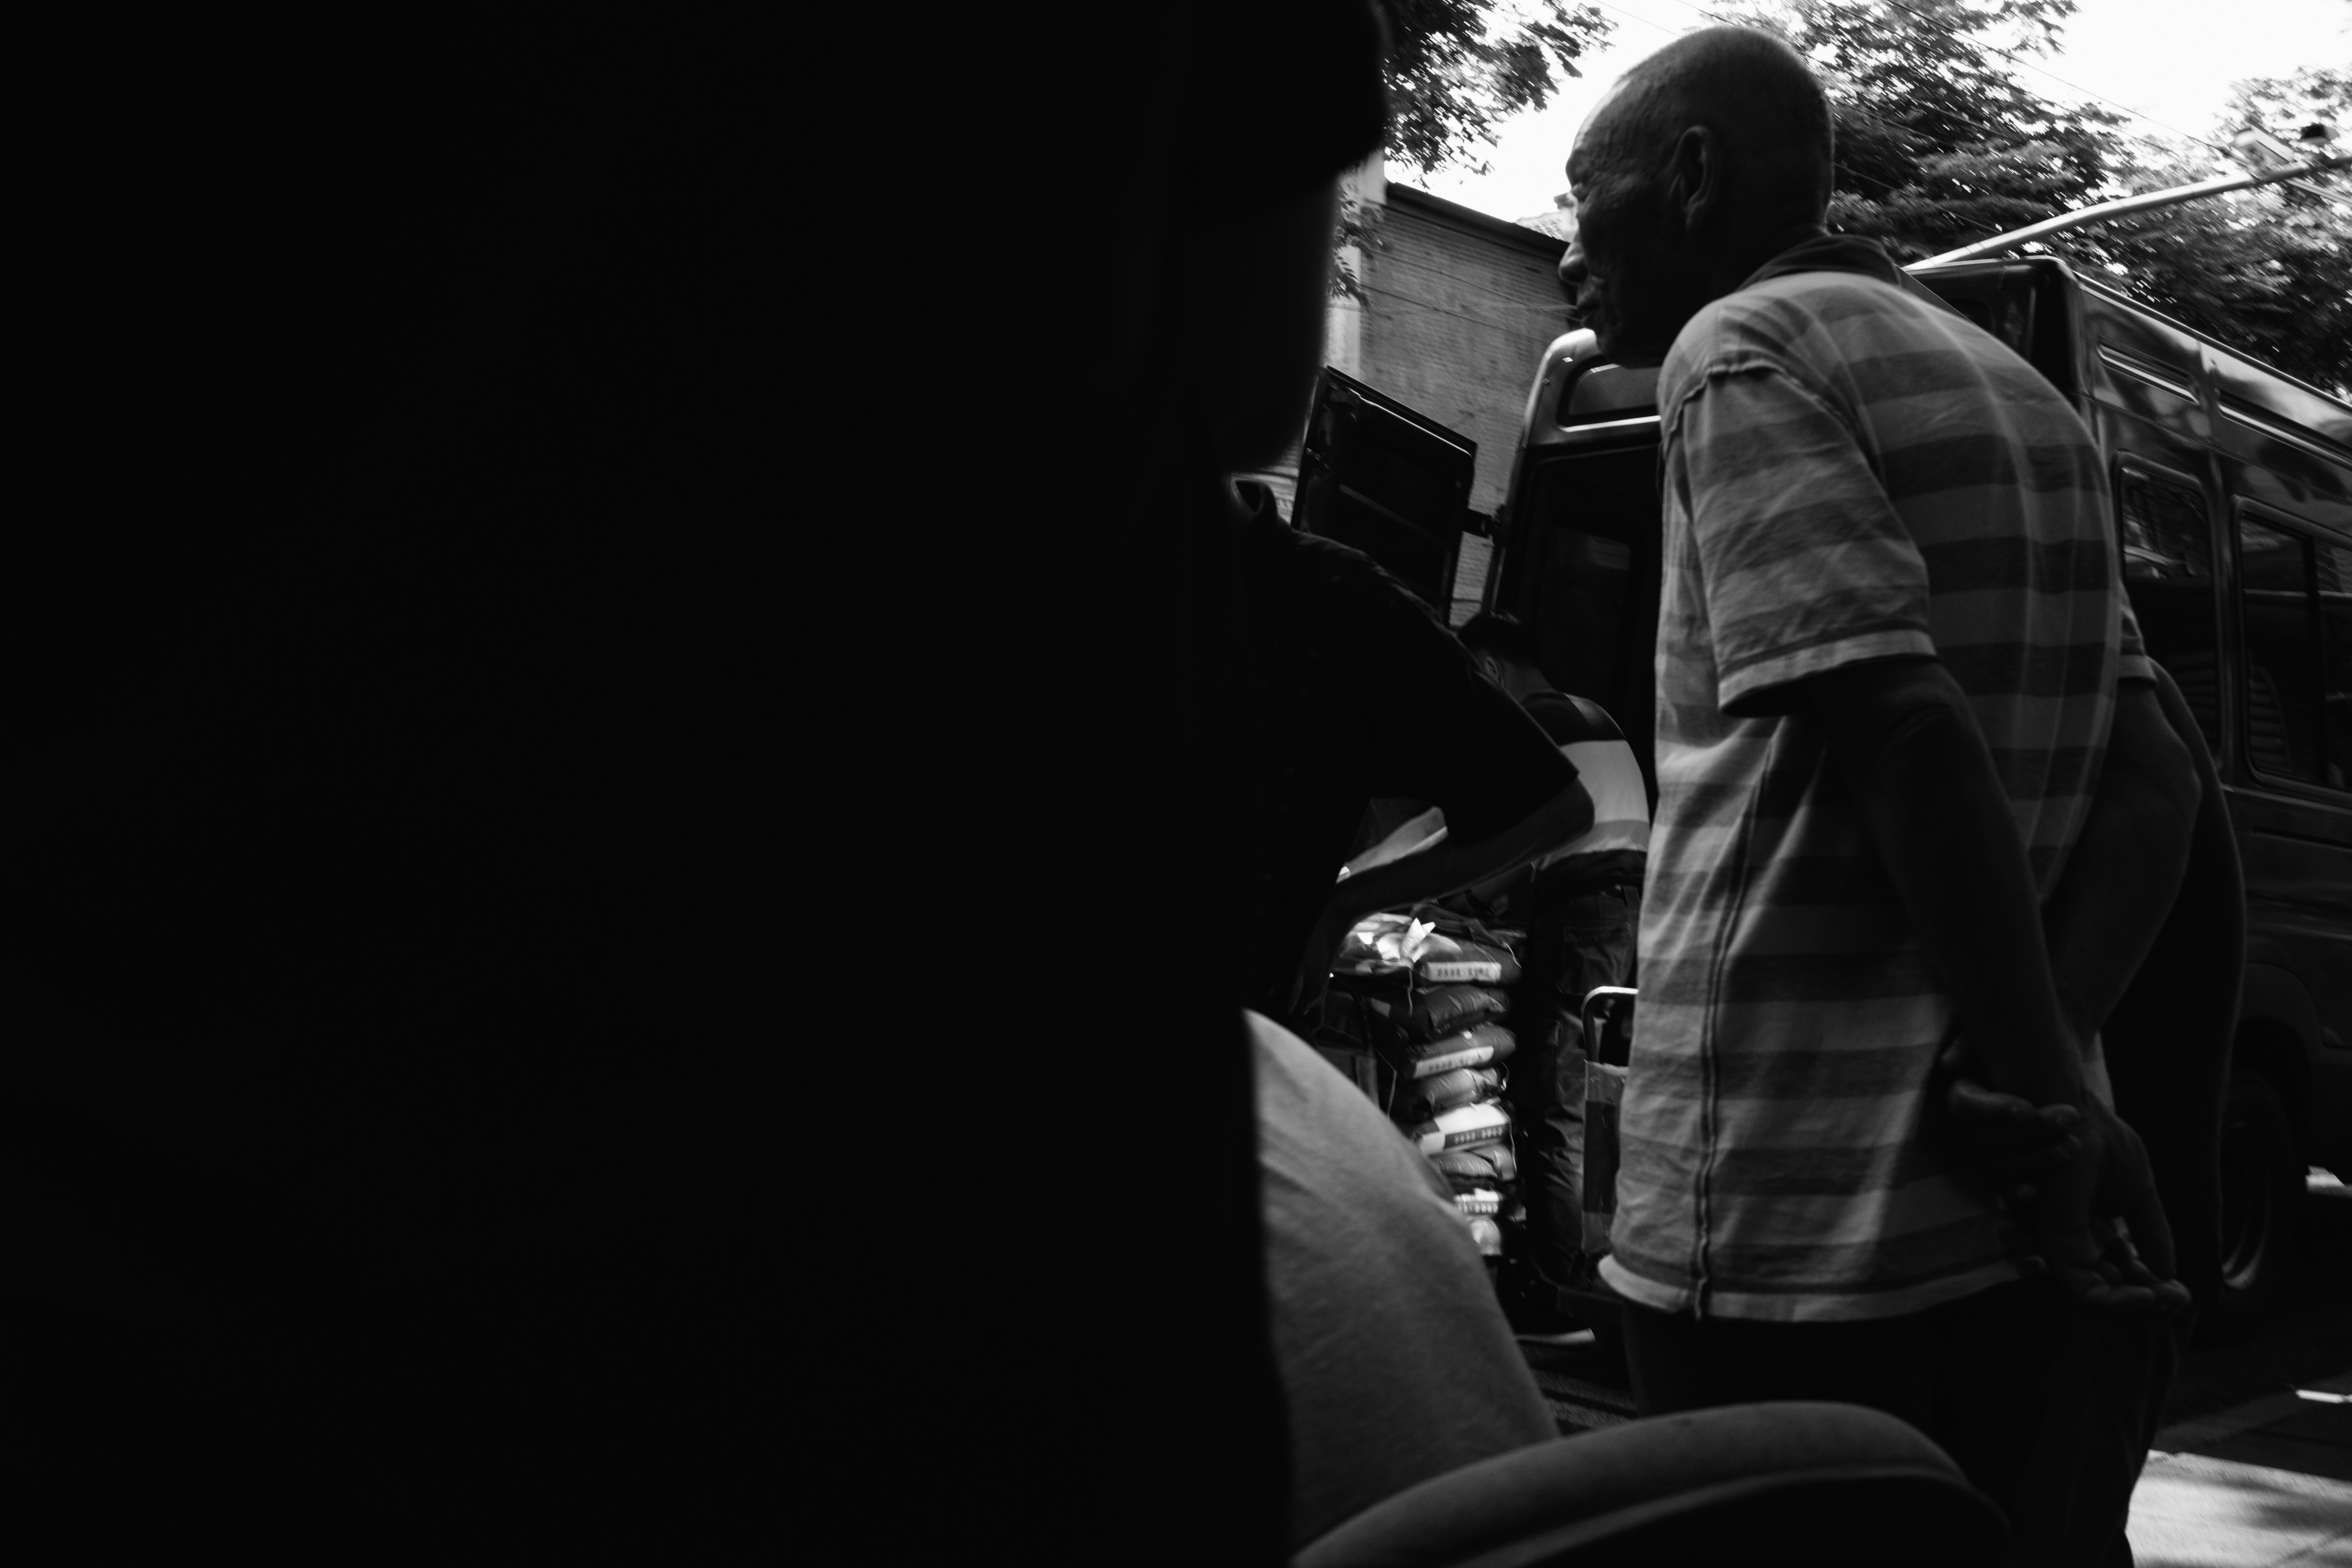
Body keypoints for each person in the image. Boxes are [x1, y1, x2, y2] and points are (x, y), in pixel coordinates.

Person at [1556, 25, 2205, 1562]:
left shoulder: (1747, 347)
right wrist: (2047, 1082)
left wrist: (2036, 1077)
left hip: (1785, 1225)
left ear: (1691, 176)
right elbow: (2158, 773)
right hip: (1998, 1228)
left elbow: (1898, 722)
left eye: (1584, 205)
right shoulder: (2031, 399)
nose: (1574, 263)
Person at [1235, 496, 1594, 1027]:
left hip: (1584, 897)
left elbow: (1507, 810)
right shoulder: (1586, 712)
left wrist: (1351, 896)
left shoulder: (1338, 604)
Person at [1452, 610, 1649, 1328]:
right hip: (1623, 920)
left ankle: (1558, 1289)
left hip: (1584, 921)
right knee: (1591, 1101)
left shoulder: (1533, 723)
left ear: (1493, 671)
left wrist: (1448, 898)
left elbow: (1486, 834)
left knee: (1553, 1103)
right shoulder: (1597, 716)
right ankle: (1581, 1272)